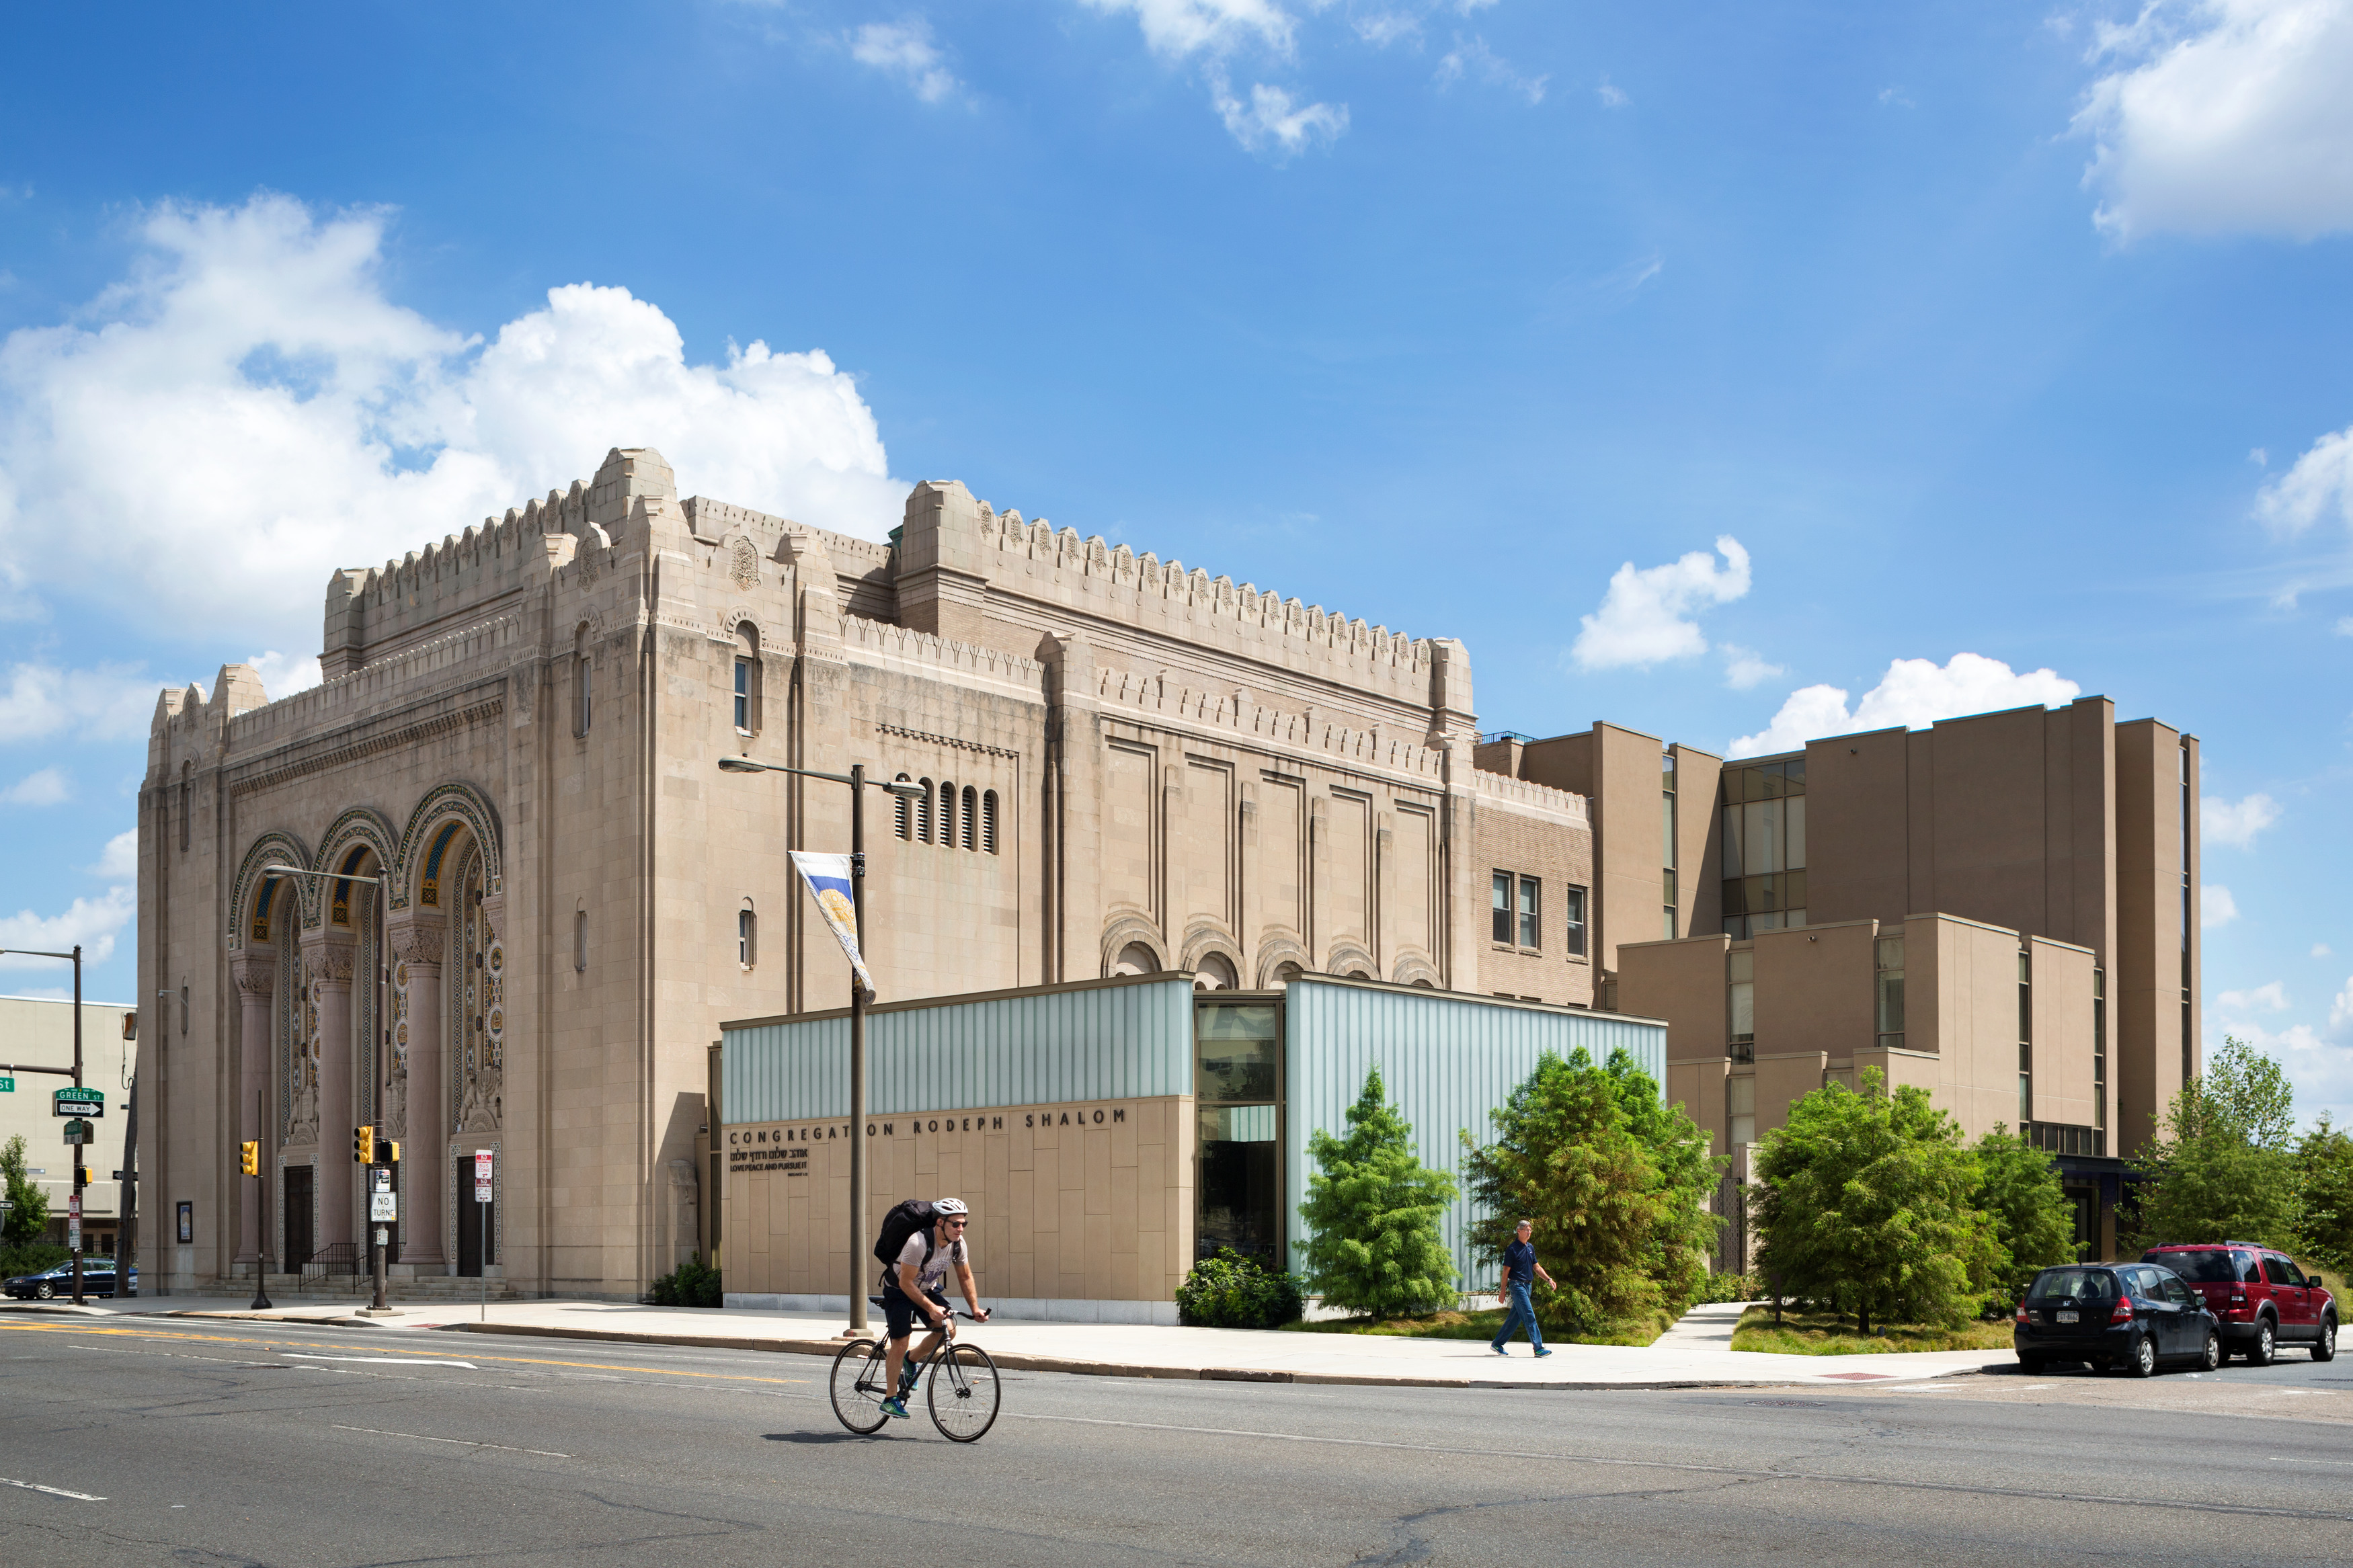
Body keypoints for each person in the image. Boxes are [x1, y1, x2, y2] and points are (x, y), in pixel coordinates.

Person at [879, 1197, 990, 1419]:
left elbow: (965, 1276)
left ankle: (911, 1360)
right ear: (940, 1223)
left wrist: (975, 1308)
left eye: (963, 1224)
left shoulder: (958, 1245)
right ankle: (890, 1399)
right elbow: (906, 1283)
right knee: (901, 1341)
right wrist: (931, 1308)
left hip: (927, 1288)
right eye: (955, 1224)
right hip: (899, 1290)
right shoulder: (918, 1243)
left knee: (948, 1328)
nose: (961, 1229)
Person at [1490, 1218, 1556, 1358]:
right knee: (1529, 1315)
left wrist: (1548, 1279)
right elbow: (1506, 1272)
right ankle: (1538, 1348)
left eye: (1530, 1230)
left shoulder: (1530, 1248)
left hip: (1528, 1286)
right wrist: (1503, 1292)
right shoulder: (1512, 1249)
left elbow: (1536, 1267)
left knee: (1515, 1318)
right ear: (1519, 1231)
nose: (1529, 1232)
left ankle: (1497, 1343)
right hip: (1517, 1285)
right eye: (1526, 1230)